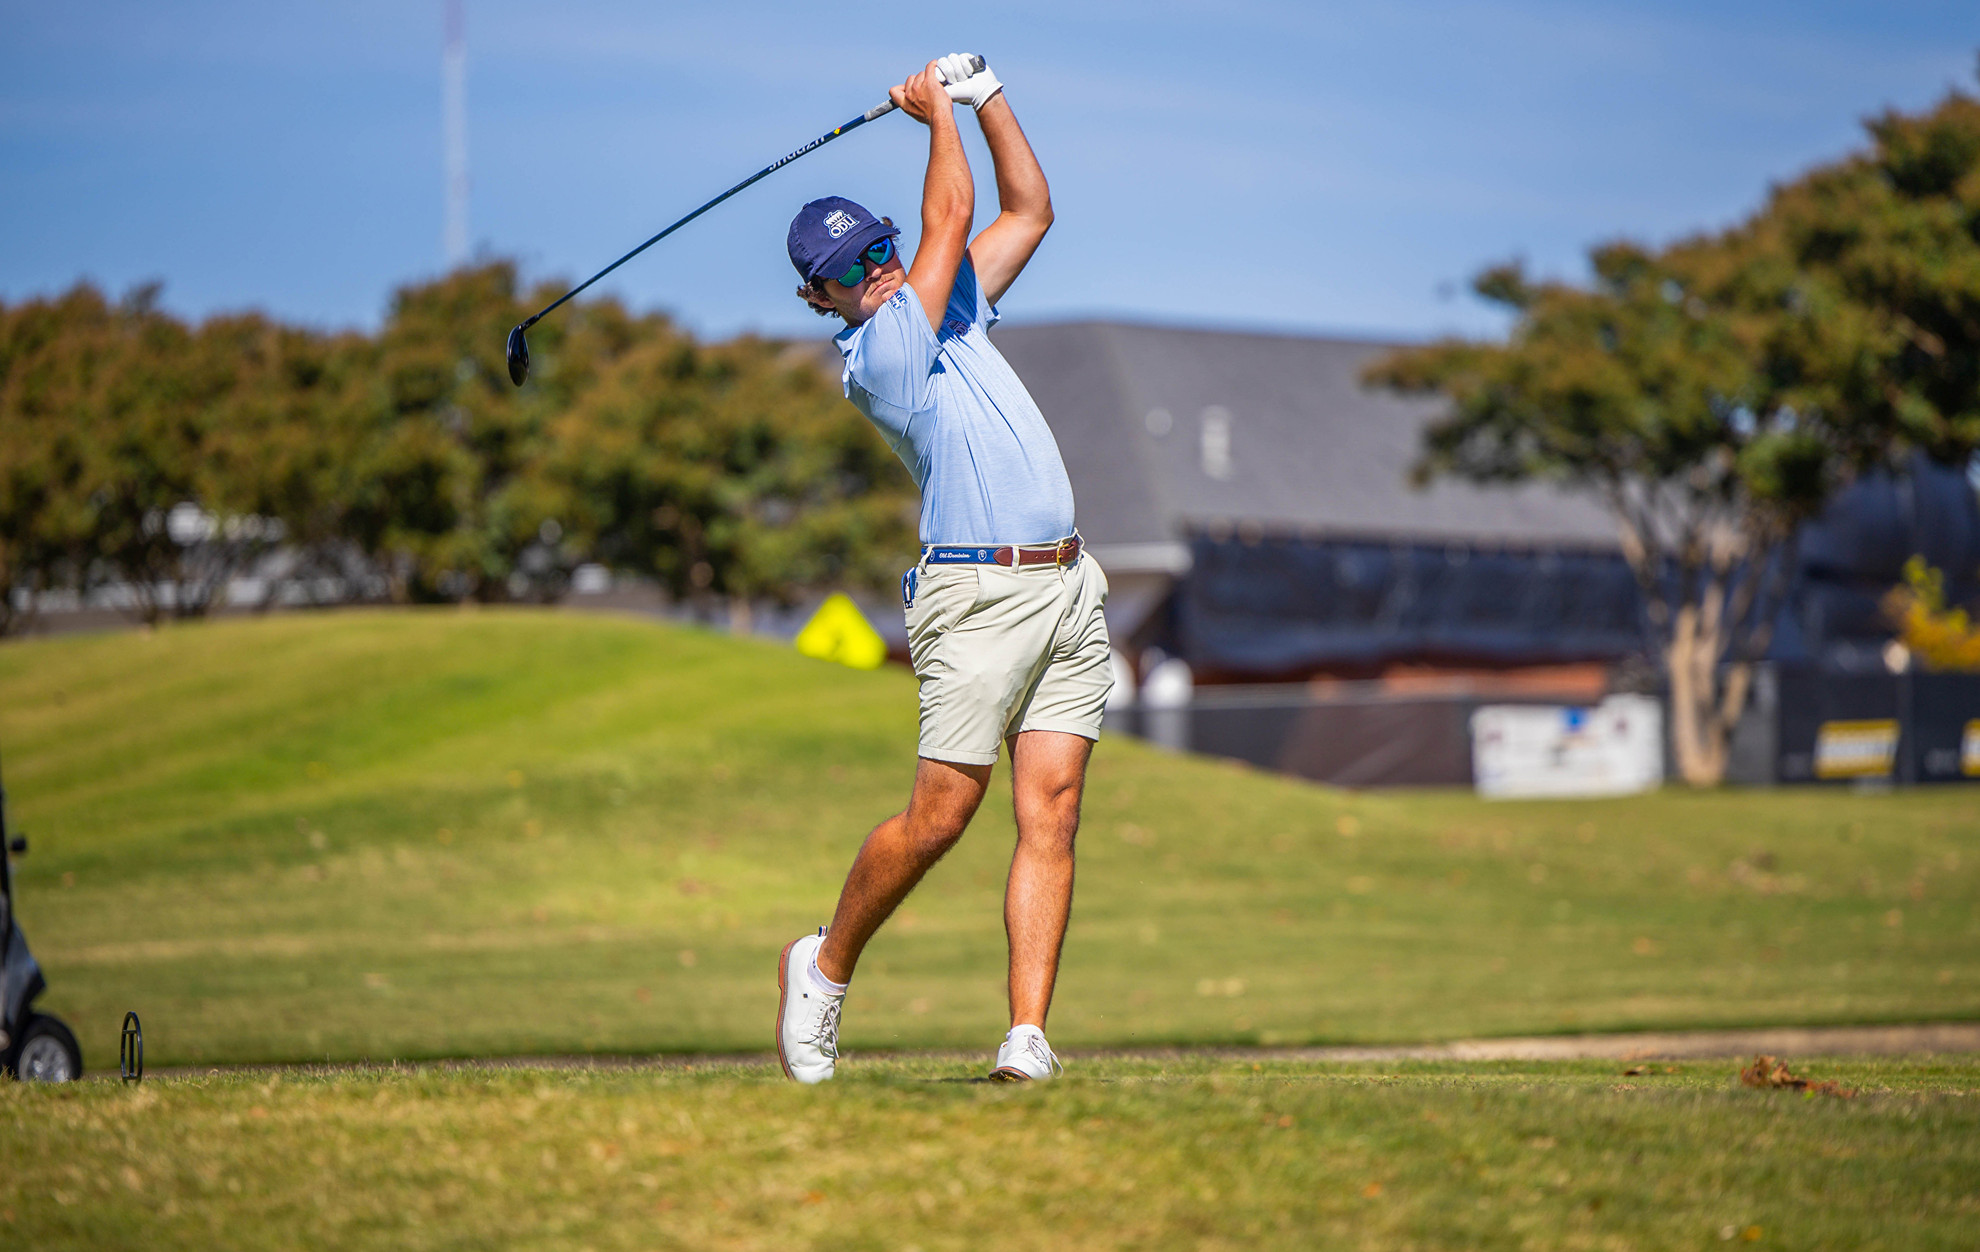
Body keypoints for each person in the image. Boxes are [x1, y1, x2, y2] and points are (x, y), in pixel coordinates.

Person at [775, 53, 1111, 1084]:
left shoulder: (954, 306)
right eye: (851, 267)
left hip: (1066, 583)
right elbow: (952, 213)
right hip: (974, 595)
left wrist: (987, 92)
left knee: (1050, 806)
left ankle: (1026, 1036)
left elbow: (1029, 209)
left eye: (878, 244)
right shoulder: (880, 355)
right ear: (819, 297)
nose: (876, 266)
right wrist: (934, 118)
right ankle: (823, 968)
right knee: (940, 817)